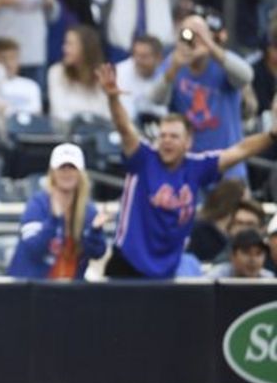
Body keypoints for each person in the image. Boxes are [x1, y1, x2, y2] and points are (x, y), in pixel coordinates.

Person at [96, 62, 275, 279]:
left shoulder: (196, 166)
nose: (167, 141)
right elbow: (125, 129)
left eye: (174, 136)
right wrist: (113, 99)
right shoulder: (143, 158)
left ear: (188, 142)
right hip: (128, 263)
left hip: (166, 270)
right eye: (163, 136)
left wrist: (272, 135)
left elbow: (239, 150)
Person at [151, 14, 254, 179]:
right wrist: (174, 67)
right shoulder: (174, 62)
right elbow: (155, 98)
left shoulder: (222, 60)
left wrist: (211, 47)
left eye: (198, 34)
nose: (192, 40)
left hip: (227, 162)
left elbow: (246, 75)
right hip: (189, 164)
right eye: (187, 33)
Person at [7, 143, 107, 279]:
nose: (67, 173)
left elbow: (97, 252)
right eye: (62, 168)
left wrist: (95, 231)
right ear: (53, 173)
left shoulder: (88, 210)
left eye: (72, 168)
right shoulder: (38, 204)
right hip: (32, 291)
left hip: (69, 291)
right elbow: (34, 249)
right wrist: (54, 219)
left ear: (80, 173)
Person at [47, 25, 109, 128]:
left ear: (86, 47)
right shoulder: (56, 72)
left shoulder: (102, 75)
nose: (64, 48)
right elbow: (58, 112)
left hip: (98, 133)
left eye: (70, 44)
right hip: (67, 134)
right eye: (65, 43)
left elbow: (106, 114)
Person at [115, 35, 166, 123]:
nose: (138, 61)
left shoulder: (167, 74)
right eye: (136, 55)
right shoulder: (120, 72)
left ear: (158, 58)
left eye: (144, 57)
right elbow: (125, 114)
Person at [207, 229, 276, 278]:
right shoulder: (215, 278)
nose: (253, 259)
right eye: (246, 253)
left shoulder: (269, 278)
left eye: (258, 253)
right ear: (233, 256)